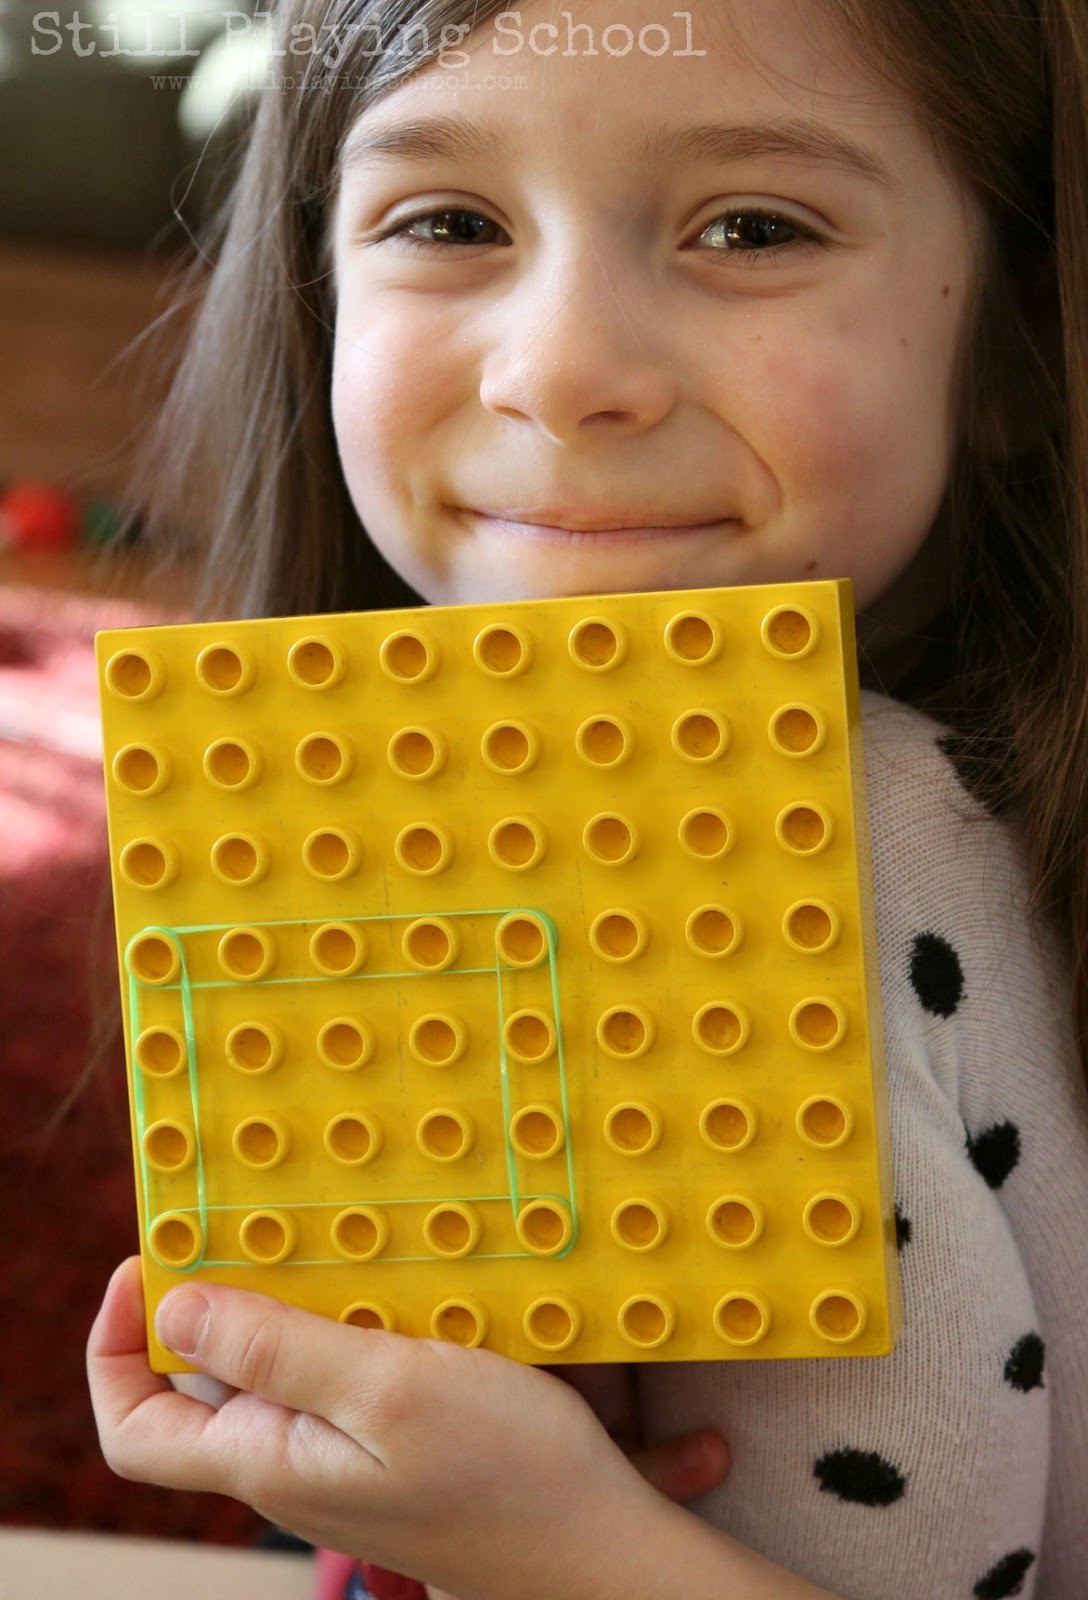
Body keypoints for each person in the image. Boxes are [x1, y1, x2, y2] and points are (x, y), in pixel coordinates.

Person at [86, 0, 1088, 1595]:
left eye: (752, 226)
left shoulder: (857, 830)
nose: (560, 373)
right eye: (450, 221)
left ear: (1020, 342)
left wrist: (548, 1542)